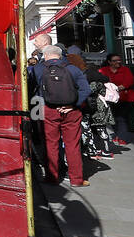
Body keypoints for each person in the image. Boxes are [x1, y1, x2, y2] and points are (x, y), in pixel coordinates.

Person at [29, 44, 92, 187]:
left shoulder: (38, 69)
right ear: (60, 55)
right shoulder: (73, 69)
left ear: (45, 55)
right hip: (71, 111)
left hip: (49, 109)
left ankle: (52, 177)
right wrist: (73, 105)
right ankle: (76, 179)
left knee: (51, 144)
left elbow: (31, 89)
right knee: (73, 145)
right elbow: (86, 89)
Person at [99, 53, 134, 145]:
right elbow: (100, 80)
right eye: (115, 61)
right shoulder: (104, 70)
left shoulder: (125, 70)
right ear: (109, 62)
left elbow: (129, 81)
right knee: (113, 118)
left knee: (121, 118)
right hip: (111, 99)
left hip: (125, 98)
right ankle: (118, 135)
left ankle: (122, 137)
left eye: (119, 60)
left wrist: (117, 88)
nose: (118, 62)